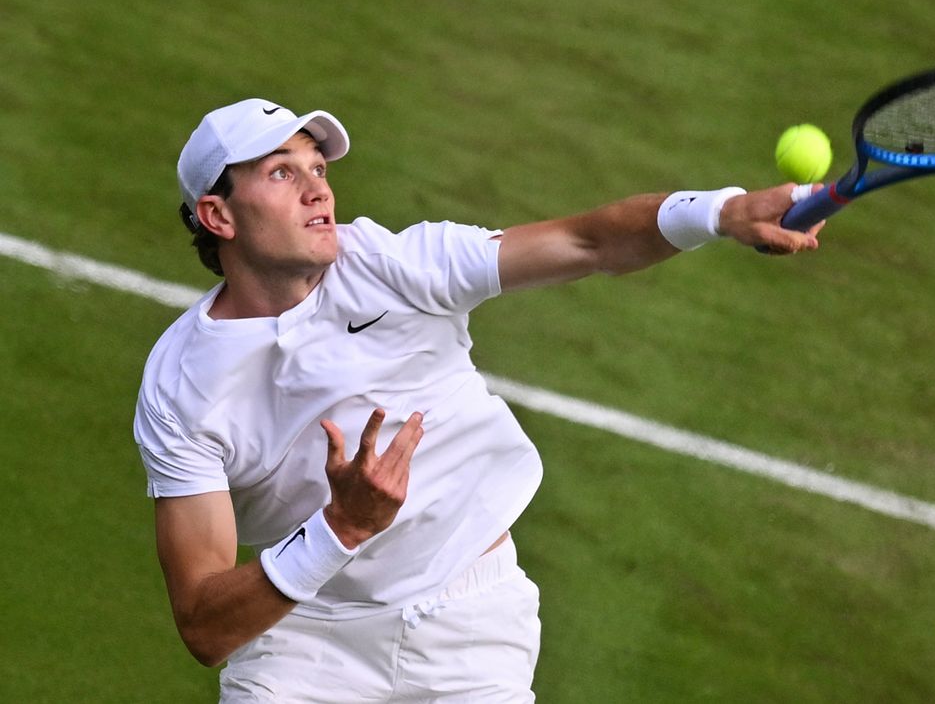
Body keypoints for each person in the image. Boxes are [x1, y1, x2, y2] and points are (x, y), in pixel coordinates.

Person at [134, 98, 823, 702]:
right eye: (282, 173)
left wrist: (722, 212)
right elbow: (203, 624)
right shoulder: (180, 387)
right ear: (218, 215)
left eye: (318, 168)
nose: (318, 190)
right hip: (304, 641)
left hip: (469, 622)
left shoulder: (394, 264)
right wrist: (340, 528)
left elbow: (587, 242)